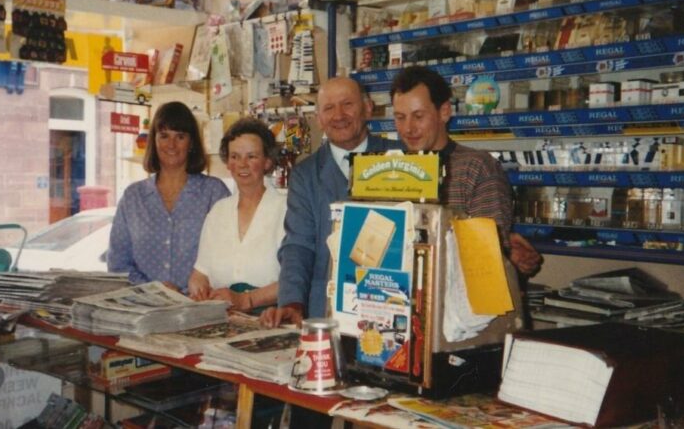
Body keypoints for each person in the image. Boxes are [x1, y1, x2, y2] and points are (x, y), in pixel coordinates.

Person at [262, 77, 400, 327]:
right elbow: (298, 246)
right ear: (319, 119)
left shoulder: (401, 158)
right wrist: (292, 301)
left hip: (392, 305)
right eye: (328, 108)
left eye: (347, 104)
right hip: (326, 313)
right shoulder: (305, 175)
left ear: (368, 108)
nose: (339, 115)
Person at [389, 65, 542, 275]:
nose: (408, 128)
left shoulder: (477, 167)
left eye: (418, 116)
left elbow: (486, 254)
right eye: (400, 117)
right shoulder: (388, 171)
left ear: (444, 112)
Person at [108, 101, 230, 289]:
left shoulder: (214, 193)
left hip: (200, 310)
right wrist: (156, 291)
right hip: (145, 310)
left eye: (180, 136)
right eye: (164, 136)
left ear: (191, 143)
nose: (171, 145)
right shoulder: (133, 197)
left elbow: (229, 257)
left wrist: (190, 292)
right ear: (154, 141)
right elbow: (118, 265)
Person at [188, 118, 285, 311]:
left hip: (271, 318)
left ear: (267, 162)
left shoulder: (287, 209)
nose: (242, 164)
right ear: (227, 163)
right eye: (235, 156)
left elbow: (296, 281)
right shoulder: (218, 211)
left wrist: (247, 299)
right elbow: (200, 273)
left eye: (251, 156)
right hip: (222, 317)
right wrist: (200, 289)